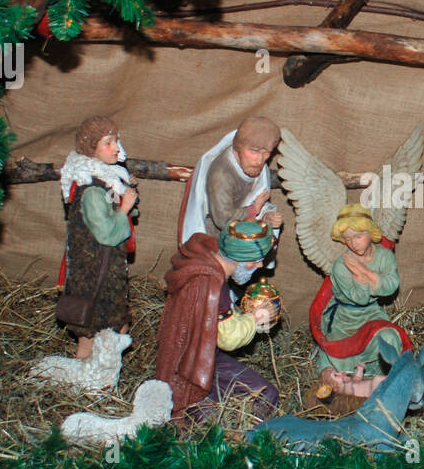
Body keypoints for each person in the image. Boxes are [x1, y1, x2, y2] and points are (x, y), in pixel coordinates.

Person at [154, 219, 280, 424]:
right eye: (255, 260)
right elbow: (227, 337)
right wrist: (256, 319)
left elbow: (216, 319)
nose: (259, 266)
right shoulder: (211, 284)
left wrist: (243, 316)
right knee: (262, 398)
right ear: (239, 258)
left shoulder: (207, 263)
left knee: (265, 394)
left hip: (203, 356)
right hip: (192, 367)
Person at [57, 116, 138, 360]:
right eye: (107, 143)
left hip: (106, 272)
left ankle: (104, 373)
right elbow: (105, 233)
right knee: (90, 333)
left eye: (116, 141)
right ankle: (85, 379)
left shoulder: (107, 180)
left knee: (116, 325)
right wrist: (124, 208)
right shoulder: (92, 190)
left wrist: (126, 199)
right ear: (91, 148)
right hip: (94, 278)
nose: (115, 148)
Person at [312, 204, 408, 387]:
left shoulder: (385, 257)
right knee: (334, 365)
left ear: (371, 233)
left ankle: (383, 382)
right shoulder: (341, 265)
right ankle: (352, 384)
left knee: (390, 338)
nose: (353, 243)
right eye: (347, 238)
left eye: (358, 236)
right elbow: (359, 298)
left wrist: (363, 272)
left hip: (372, 314)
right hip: (344, 319)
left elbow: (391, 285)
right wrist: (370, 280)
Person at [177, 116, 285, 250]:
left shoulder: (257, 167)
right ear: (239, 147)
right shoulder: (221, 174)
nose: (259, 160)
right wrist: (254, 210)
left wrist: (266, 217)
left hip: (241, 237)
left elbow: (257, 198)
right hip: (216, 242)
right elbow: (223, 219)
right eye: (254, 152)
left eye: (266, 153)